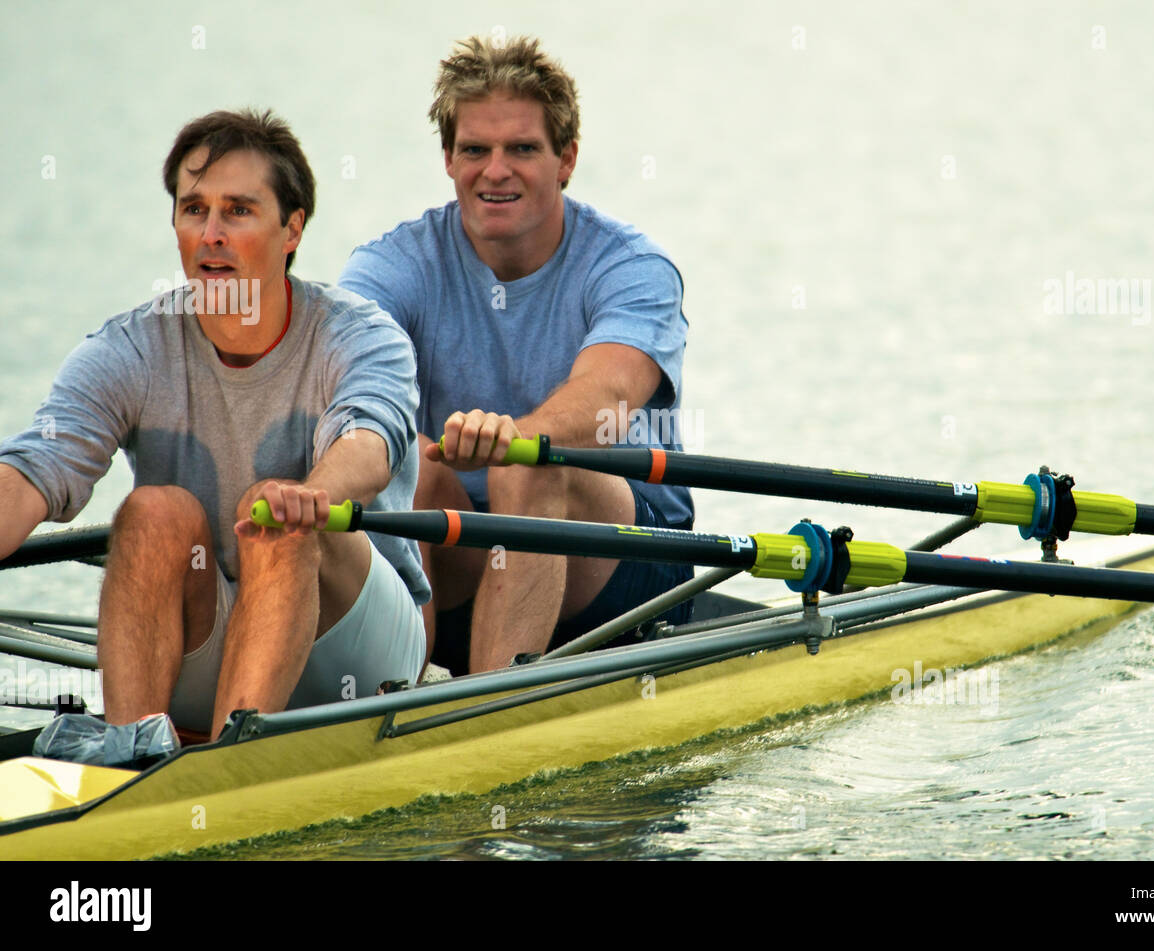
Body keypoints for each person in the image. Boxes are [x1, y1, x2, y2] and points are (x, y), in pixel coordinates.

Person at [0, 109, 428, 746]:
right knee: (150, 512)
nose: (211, 234)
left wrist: (310, 495)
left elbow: (368, 442)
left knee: (274, 514)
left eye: (238, 211)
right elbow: (35, 471)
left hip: (358, 651)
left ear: (293, 229)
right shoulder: (132, 349)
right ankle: (135, 744)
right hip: (219, 635)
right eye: (194, 210)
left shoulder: (360, 336)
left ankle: (224, 765)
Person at [339, 35, 693, 675]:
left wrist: (514, 437)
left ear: (567, 160)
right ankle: (392, 694)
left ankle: (487, 705)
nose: (495, 170)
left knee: (526, 465)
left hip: (627, 566)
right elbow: (337, 376)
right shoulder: (392, 265)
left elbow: (607, 394)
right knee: (406, 461)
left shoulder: (631, 267)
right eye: (475, 149)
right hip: (464, 555)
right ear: (449, 158)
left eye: (523, 149)